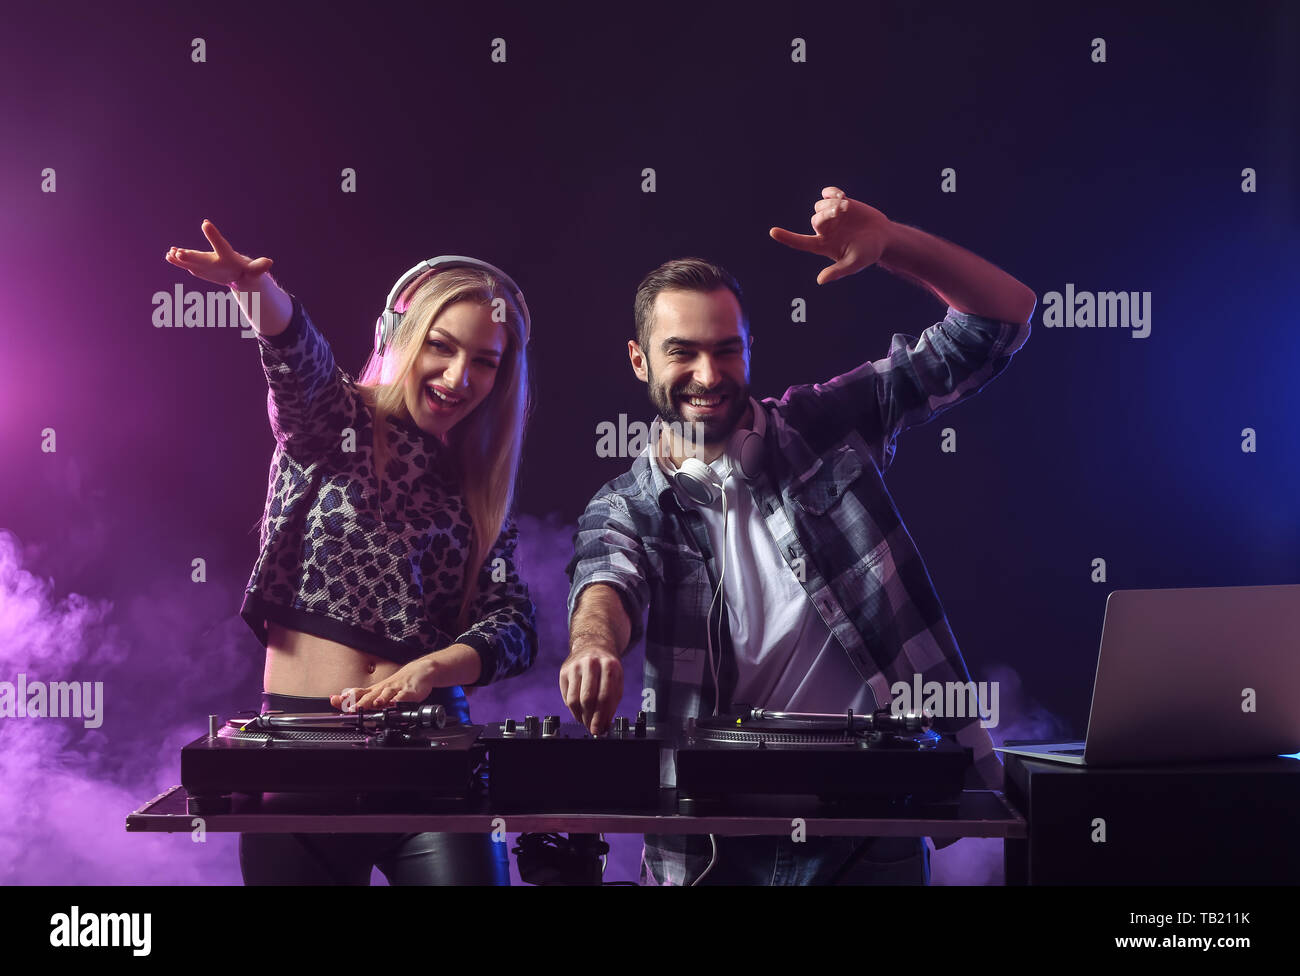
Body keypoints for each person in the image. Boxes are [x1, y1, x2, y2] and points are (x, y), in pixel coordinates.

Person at [561, 187, 1036, 886]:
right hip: (714, 844)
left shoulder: (825, 424)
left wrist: (893, 243)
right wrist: (593, 645)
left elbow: (1002, 318)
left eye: (727, 350)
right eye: (681, 353)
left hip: (872, 824)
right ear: (639, 361)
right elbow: (606, 578)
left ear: (751, 347)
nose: (708, 375)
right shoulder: (627, 505)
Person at [165, 221, 537, 884]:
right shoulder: (333, 419)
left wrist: (434, 668)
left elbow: (514, 625)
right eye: (442, 348)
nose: (459, 377)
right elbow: (296, 360)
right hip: (301, 756)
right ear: (399, 337)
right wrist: (258, 291)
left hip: (432, 752)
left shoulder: (478, 486)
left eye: (485, 361)